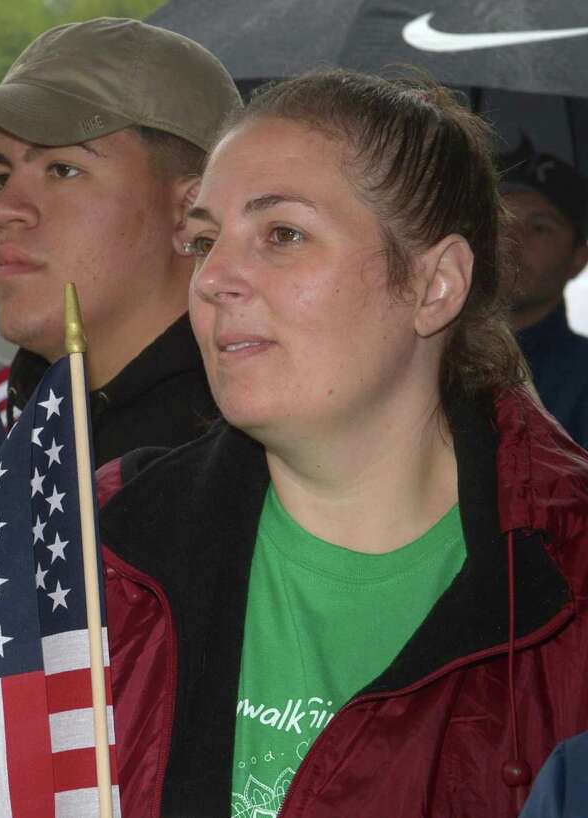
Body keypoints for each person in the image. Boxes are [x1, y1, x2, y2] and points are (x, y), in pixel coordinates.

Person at [96, 70, 588, 817]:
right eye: (203, 241)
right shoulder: (96, 545)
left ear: (435, 286)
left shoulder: (570, 577)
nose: (214, 278)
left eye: (283, 234)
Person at [0, 17, 241, 462]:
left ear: (191, 212)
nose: (5, 209)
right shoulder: (16, 424)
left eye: (62, 170)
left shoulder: (239, 463)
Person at [500, 143, 588, 447]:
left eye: (539, 227)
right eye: (500, 221)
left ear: (579, 257)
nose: (512, 240)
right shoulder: (428, 352)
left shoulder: (580, 380)